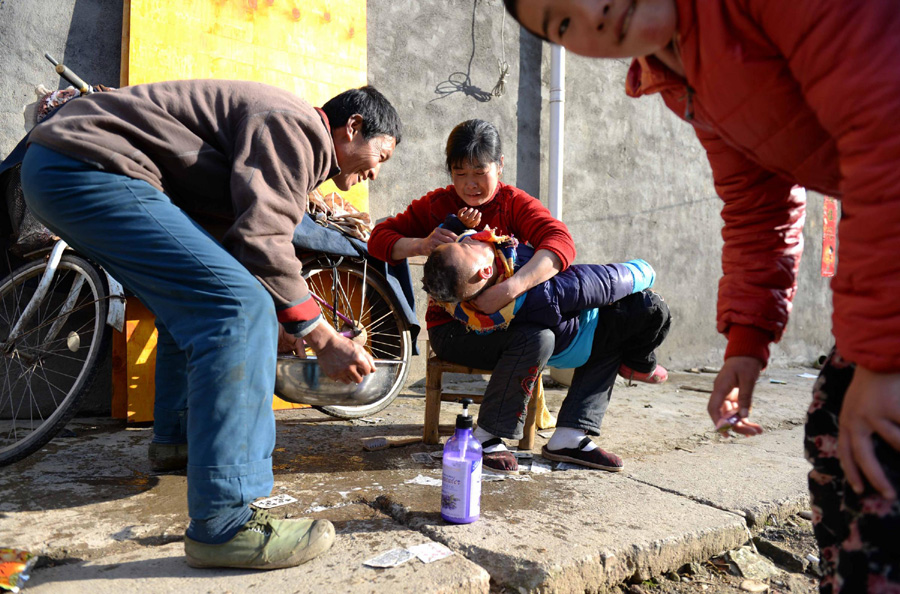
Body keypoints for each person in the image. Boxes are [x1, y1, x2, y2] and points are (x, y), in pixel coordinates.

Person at [502, 0, 900, 590]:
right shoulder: (679, 75)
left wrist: (882, 358)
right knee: (837, 439)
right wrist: (747, 339)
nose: (591, 13)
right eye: (561, 23)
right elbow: (756, 203)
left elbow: (886, 132)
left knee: (870, 447)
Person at [19, 81, 402, 570]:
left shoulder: (286, 139)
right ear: (353, 128)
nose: (375, 172)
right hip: (92, 164)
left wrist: (285, 317)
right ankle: (226, 522)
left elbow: (232, 245)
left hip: (62, 164)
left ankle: (178, 440)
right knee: (236, 311)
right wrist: (320, 335)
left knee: (206, 305)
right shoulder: (298, 126)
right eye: (381, 157)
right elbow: (264, 243)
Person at [368, 119, 576, 474]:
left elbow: (560, 243)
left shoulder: (514, 204)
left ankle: (488, 432)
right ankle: (492, 437)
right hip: (453, 331)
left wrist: (509, 289)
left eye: (480, 171)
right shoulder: (438, 206)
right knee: (535, 340)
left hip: (504, 325)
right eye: (459, 172)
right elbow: (379, 239)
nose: (470, 184)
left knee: (541, 337)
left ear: (500, 165)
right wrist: (421, 243)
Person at [422, 219, 670, 470]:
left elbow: (557, 238)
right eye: (466, 246)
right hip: (474, 335)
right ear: (486, 272)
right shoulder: (543, 291)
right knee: (540, 337)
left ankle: (569, 436)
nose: (470, 238)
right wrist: (644, 270)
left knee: (615, 328)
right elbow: (599, 283)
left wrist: (455, 226)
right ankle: (487, 435)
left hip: (558, 323)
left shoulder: (498, 253)